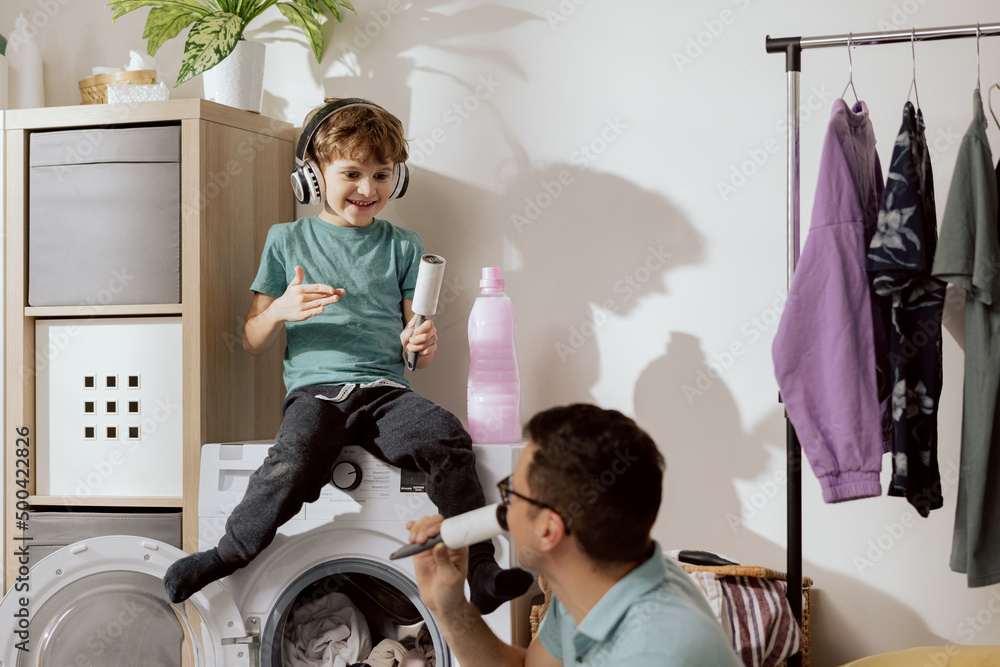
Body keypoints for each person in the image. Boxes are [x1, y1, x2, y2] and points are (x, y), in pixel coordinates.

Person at [163, 98, 532, 614]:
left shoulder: (404, 246)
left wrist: (421, 345)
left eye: (381, 175)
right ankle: (228, 554)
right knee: (294, 458)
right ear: (312, 176)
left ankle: (481, 567)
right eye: (352, 174)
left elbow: (415, 351)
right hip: (318, 394)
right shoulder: (286, 239)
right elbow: (251, 338)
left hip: (384, 393)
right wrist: (280, 310)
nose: (368, 189)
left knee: (446, 435)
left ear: (397, 178)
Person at [407, 404, 744, 666]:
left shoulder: (657, 653)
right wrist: (449, 607)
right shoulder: (592, 589)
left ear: (548, 531)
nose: (503, 511)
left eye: (511, 494)